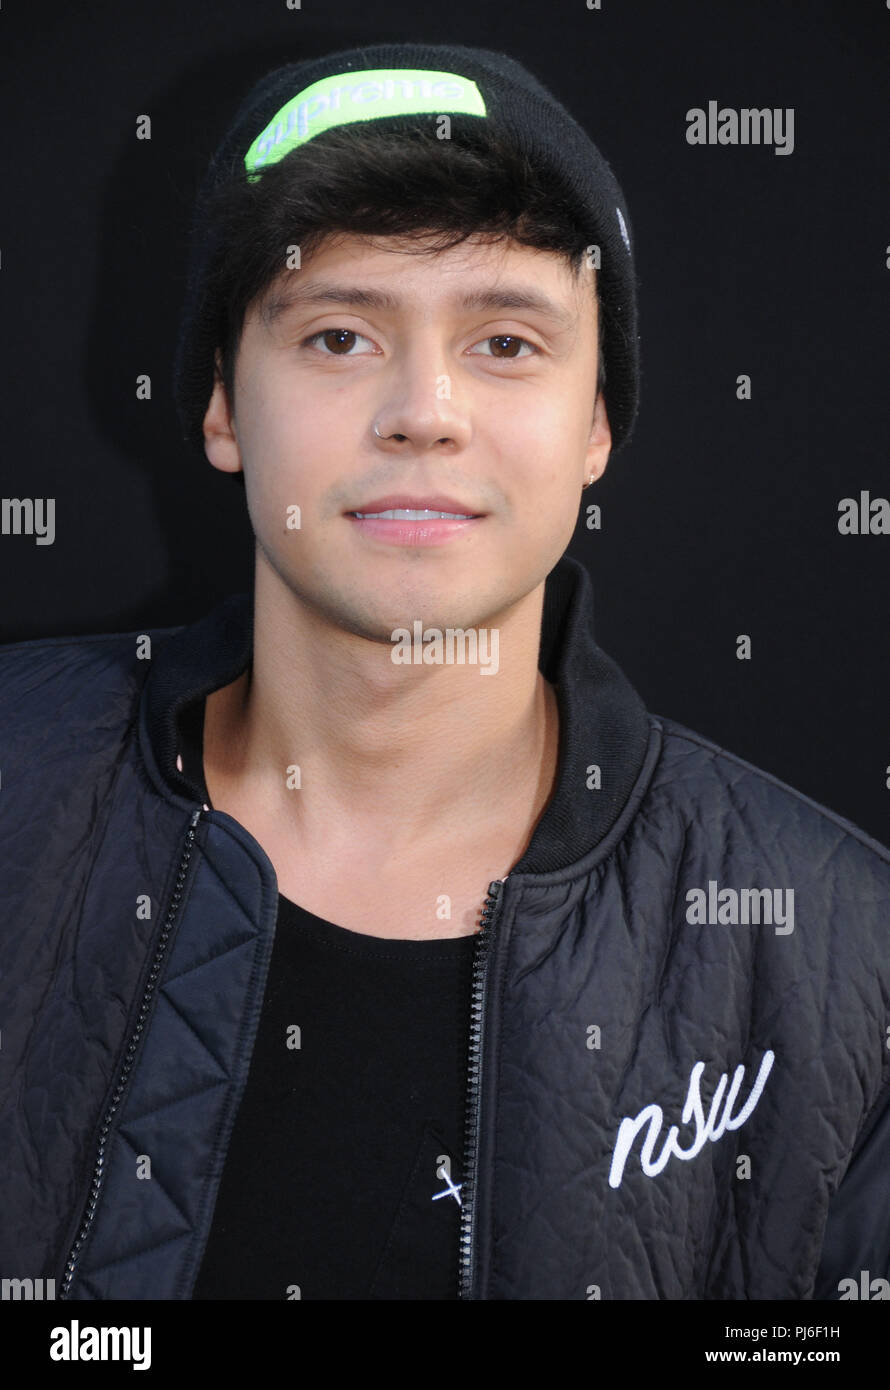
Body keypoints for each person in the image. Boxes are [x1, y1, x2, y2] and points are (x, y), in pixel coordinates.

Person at [2, 40, 889, 1303]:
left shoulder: (848, 956)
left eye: (507, 343)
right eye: (339, 334)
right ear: (219, 405)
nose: (423, 409)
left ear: (596, 425)